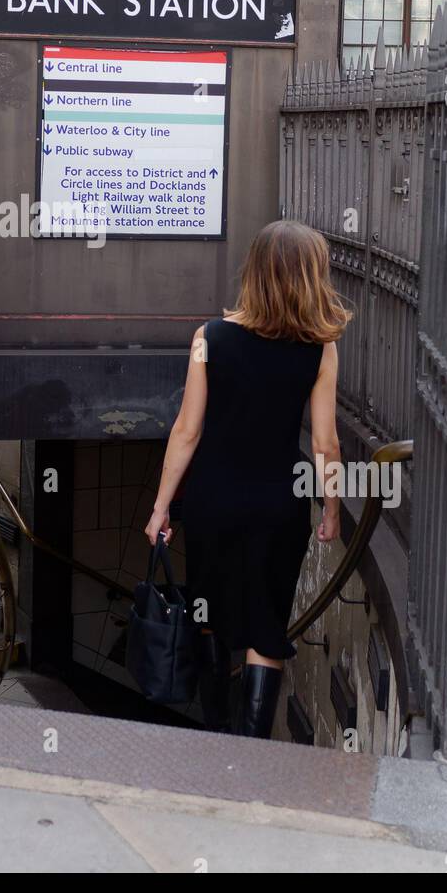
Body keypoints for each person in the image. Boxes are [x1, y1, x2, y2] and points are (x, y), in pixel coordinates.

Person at [144, 220, 351, 739]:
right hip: (277, 504)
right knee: (266, 628)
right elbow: (325, 443)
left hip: (213, 501)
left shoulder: (208, 338)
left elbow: (187, 430)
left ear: (254, 272)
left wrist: (161, 507)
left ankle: (215, 731)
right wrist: (331, 506)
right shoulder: (320, 347)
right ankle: (253, 750)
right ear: (310, 276)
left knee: (210, 611)